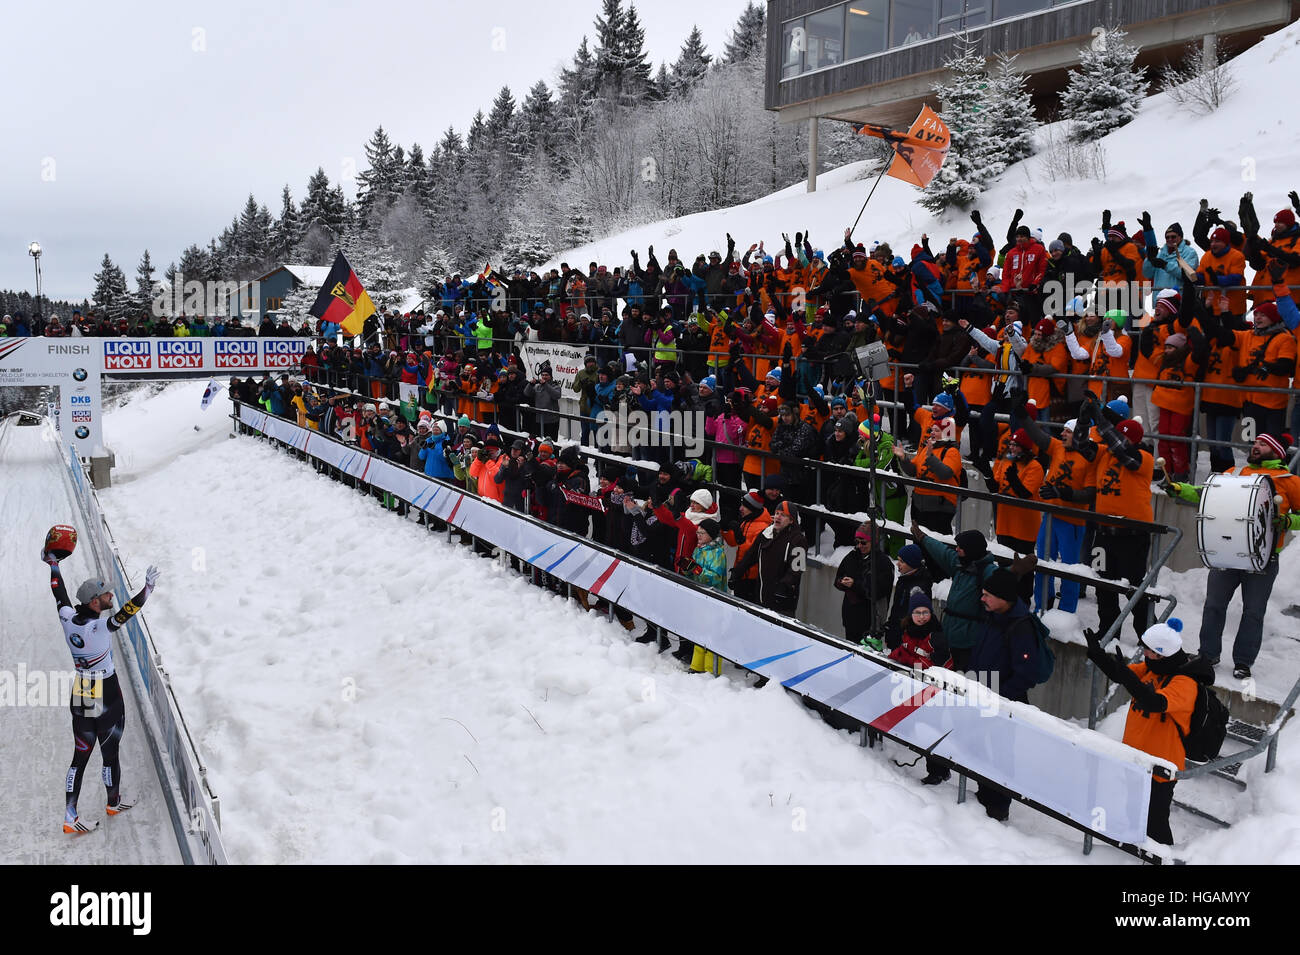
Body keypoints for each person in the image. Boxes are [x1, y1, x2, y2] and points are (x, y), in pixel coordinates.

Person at [42, 549, 161, 834]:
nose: (110, 598)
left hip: (83, 687)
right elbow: (127, 612)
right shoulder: (100, 626)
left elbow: (59, 593)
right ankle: (113, 802)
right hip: (106, 692)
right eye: (106, 595)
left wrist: (54, 564)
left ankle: (70, 816)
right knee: (110, 751)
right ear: (94, 601)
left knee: (80, 756)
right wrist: (147, 589)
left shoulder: (68, 617)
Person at [1167, 433, 1300, 678]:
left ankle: (1243, 662)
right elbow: (1204, 493)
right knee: (1214, 606)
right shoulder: (1234, 473)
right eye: (1256, 443)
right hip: (1227, 553)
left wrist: (1289, 520)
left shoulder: (1289, 481)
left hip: (1264, 558)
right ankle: (1207, 655)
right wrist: (1179, 489)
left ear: (1276, 452)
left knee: (1253, 612)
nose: (1255, 446)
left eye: (1262, 444)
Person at [1085, 619, 1209, 846]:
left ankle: (1162, 858)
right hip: (1136, 758)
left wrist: (1129, 677)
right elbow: (1121, 674)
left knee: (1155, 822)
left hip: (1161, 766)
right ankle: (1134, 853)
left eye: (1149, 651)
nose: (1144, 655)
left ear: (1162, 655)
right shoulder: (1153, 668)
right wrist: (1098, 654)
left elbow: (1154, 702)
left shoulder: (1184, 683)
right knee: (1133, 813)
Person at [967, 567, 1042, 821]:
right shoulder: (994, 616)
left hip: (1002, 702)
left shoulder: (1021, 627)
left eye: (987, 594)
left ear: (1004, 598)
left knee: (1000, 755)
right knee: (979, 747)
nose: (982, 598)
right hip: (982, 691)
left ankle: (998, 806)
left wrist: (998, 698)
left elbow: (1026, 674)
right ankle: (984, 794)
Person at [730, 500, 807, 615]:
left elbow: (797, 568)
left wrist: (784, 586)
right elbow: (750, 556)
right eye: (776, 513)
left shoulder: (798, 540)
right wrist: (737, 572)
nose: (778, 517)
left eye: (783, 515)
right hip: (761, 597)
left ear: (791, 520)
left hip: (783, 603)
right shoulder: (766, 534)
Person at [834, 523, 895, 647]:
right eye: (857, 542)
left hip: (870, 623)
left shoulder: (883, 563)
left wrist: (854, 584)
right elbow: (837, 579)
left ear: (874, 542)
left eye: (863, 542)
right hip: (850, 619)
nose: (859, 546)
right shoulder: (852, 556)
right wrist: (842, 582)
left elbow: (878, 591)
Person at [885, 542, 933, 652]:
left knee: (913, 666)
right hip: (897, 636)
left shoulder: (920, 586)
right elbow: (897, 608)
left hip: (911, 641)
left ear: (912, 563)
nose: (898, 564)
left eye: (902, 561)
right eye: (898, 560)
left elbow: (920, 619)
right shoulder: (903, 580)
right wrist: (891, 628)